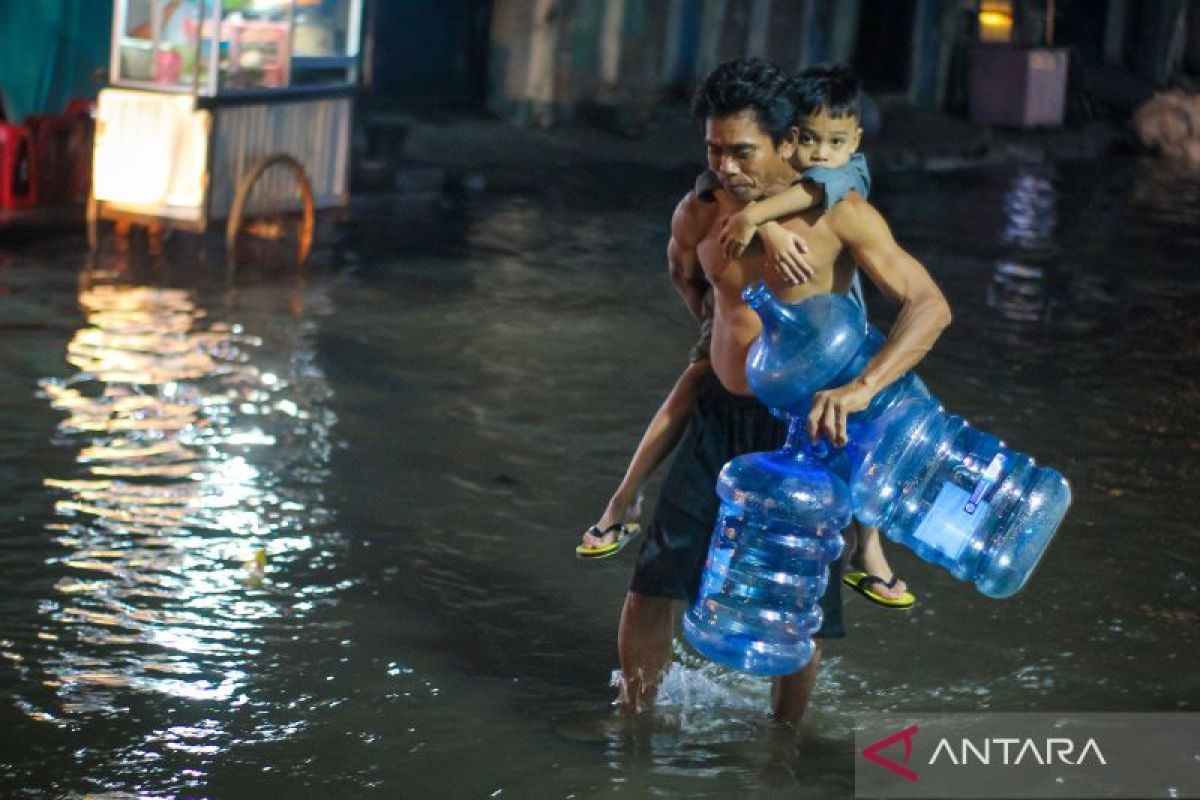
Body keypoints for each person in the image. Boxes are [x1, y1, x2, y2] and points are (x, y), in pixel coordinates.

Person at [610, 58, 951, 726]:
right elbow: (684, 273)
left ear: (787, 143)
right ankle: (631, 726)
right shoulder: (701, 210)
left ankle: (784, 748)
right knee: (654, 581)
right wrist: (713, 333)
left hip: (800, 430)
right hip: (718, 417)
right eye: (714, 150)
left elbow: (930, 305)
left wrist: (862, 387)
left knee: (799, 604)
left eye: (742, 151)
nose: (726, 166)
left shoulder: (841, 217)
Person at [579, 65, 914, 609]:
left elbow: (799, 192)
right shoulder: (717, 192)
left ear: (851, 141)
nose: (822, 153)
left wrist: (763, 219)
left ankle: (869, 550)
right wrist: (712, 318)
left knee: (859, 430)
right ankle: (623, 500)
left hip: (825, 349)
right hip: (731, 372)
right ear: (795, 137)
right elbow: (698, 234)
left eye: (835, 141)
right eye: (714, 150)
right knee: (695, 380)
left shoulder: (845, 183)